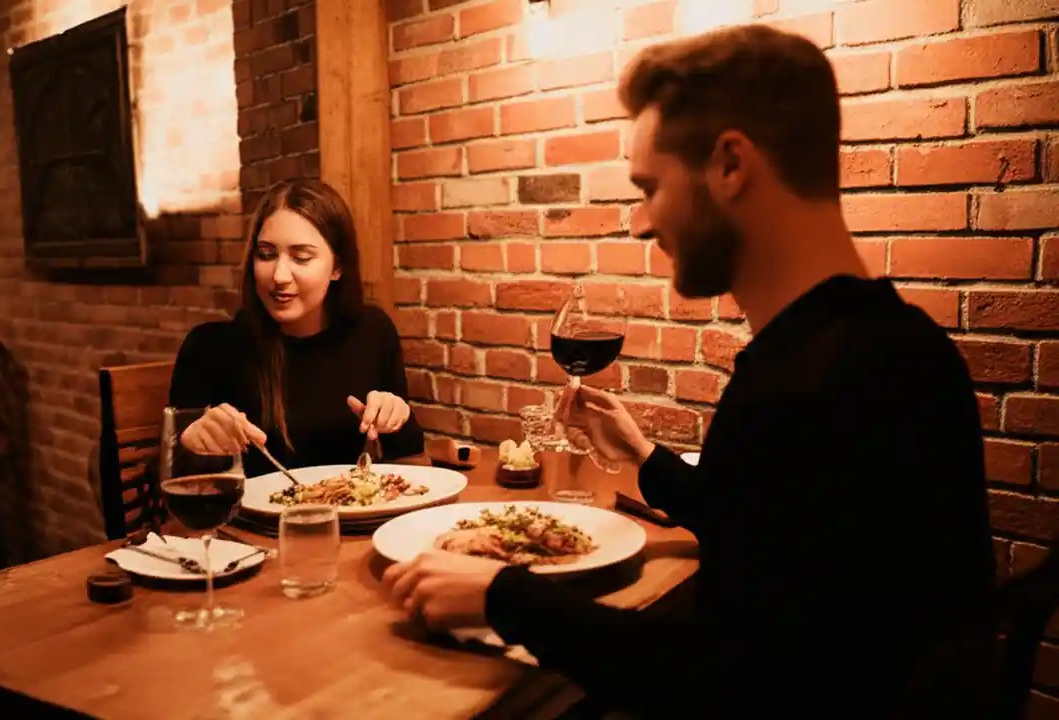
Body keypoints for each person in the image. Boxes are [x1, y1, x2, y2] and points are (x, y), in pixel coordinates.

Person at [382, 24, 996, 718]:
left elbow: (730, 680)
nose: (641, 223)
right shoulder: (902, 348)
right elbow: (780, 542)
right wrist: (645, 458)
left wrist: (504, 596)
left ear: (730, 165)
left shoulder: (802, 390)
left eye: (650, 187)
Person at [169, 179, 426, 475]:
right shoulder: (209, 348)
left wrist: (397, 418)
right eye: (266, 254)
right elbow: (172, 476)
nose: (279, 275)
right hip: (244, 506)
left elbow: (411, 463)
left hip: (345, 504)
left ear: (337, 267)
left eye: (301, 258)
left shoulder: (371, 332)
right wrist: (192, 443)